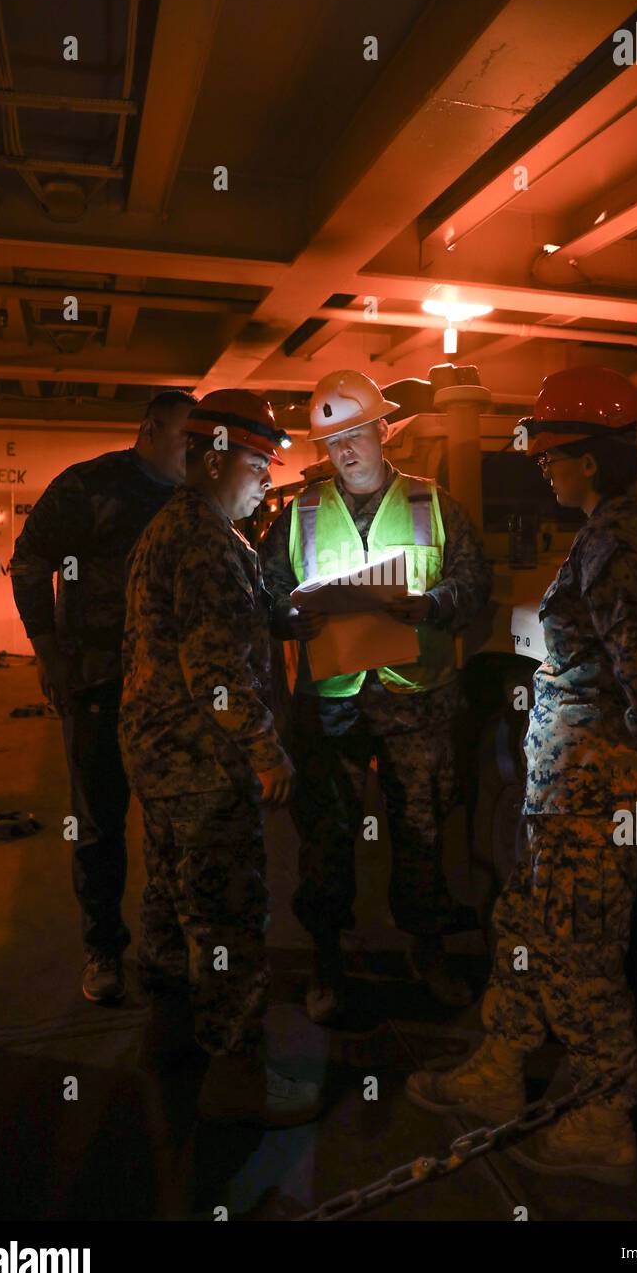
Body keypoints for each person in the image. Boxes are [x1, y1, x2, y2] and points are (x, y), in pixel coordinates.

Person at [405, 367, 637, 1185]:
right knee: (525, 920)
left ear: (591, 458)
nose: (543, 468)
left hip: (596, 782)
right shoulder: (625, 531)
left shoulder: (616, 540)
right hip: (569, 775)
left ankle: (606, 1120)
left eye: (551, 456)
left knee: (576, 944)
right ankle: (500, 1068)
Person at [260, 368, 492, 1024]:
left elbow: (474, 584)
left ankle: (427, 947)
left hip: (415, 699)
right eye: (334, 443)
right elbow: (266, 591)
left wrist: (434, 604)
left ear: (383, 430)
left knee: (421, 831)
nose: (347, 451)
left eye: (357, 435)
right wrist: (287, 617)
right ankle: (328, 960)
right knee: (325, 837)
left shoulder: (433, 503)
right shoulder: (300, 513)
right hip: (330, 701)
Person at [120, 389, 321, 1127]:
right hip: (201, 763)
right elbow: (216, 670)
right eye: (260, 460)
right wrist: (267, 752)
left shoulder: (188, 529)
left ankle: (170, 1044)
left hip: (160, 756)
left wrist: (287, 614)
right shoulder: (205, 542)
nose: (270, 474)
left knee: (173, 904)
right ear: (213, 460)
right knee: (228, 920)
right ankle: (238, 1082)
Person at [10, 390, 194, 1003]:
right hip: (96, 680)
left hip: (174, 687)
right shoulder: (87, 487)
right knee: (98, 823)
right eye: (185, 440)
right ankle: (104, 951)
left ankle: (166, 943)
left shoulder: (194, 499)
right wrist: (47, 648)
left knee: (174, 821)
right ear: (150, 429)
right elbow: (31, 562)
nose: (195, 453)